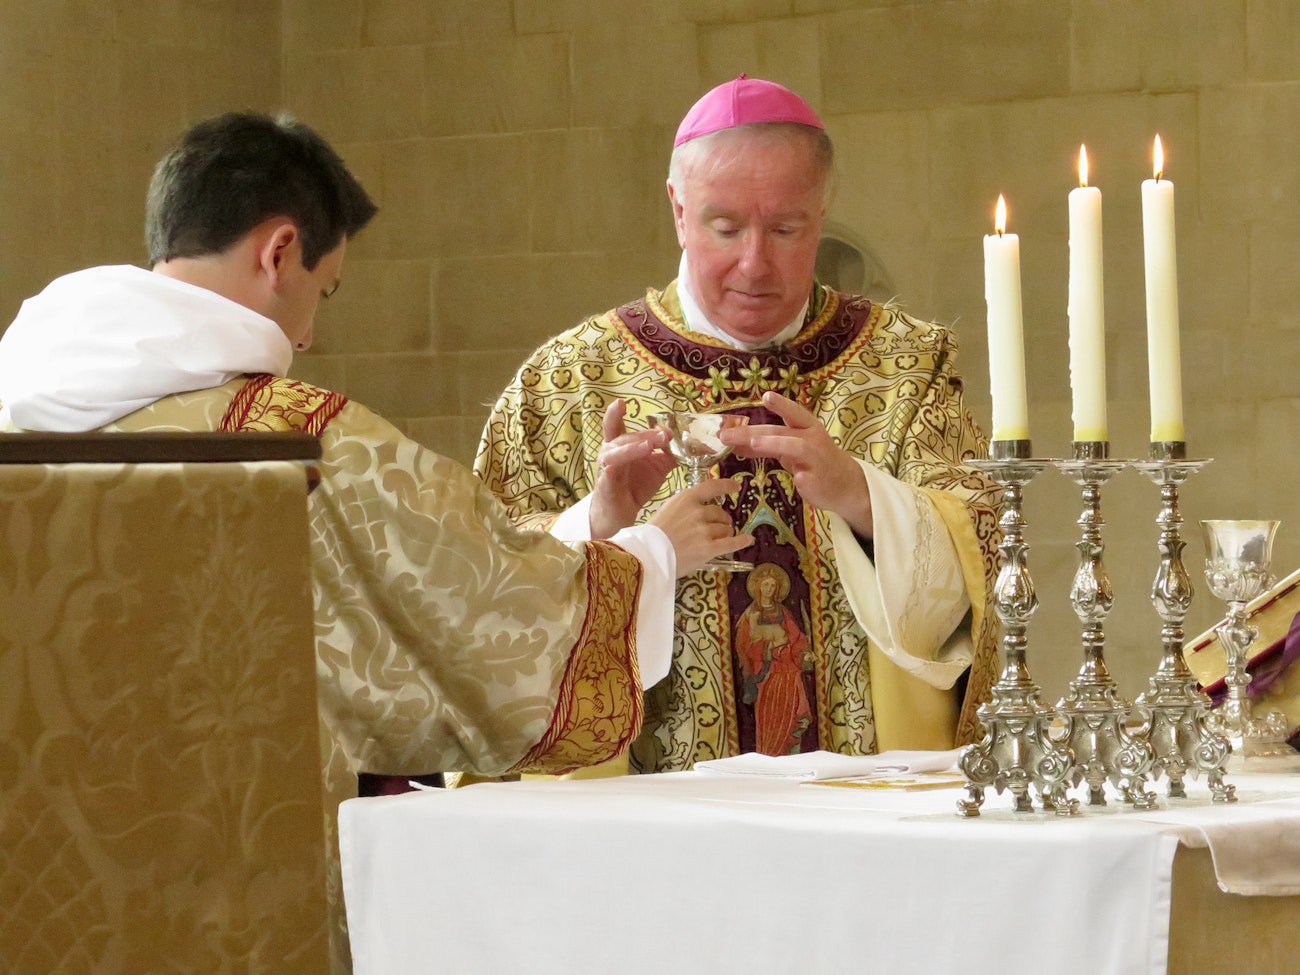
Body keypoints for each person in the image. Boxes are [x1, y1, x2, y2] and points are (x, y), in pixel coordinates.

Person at [0, 111, 748, 970]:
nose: (310, 333)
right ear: (280, 252)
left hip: (42, 882)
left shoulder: (19, 410)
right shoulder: (305, 444)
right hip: (241, 888)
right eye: (324, 290)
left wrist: (593, 521)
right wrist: (650, 553)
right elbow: (491, 620)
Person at [476, 76, 1003, 773]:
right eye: (725, 228)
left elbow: (989, 555)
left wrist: (861, 495)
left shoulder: (905, 367)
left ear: (823, 210)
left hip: (865, 810)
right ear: (678, 210)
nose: (755, 264)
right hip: (650, 822)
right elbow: (482, 594)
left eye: (786, 229)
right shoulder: (567, 380)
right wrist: (609, 536)